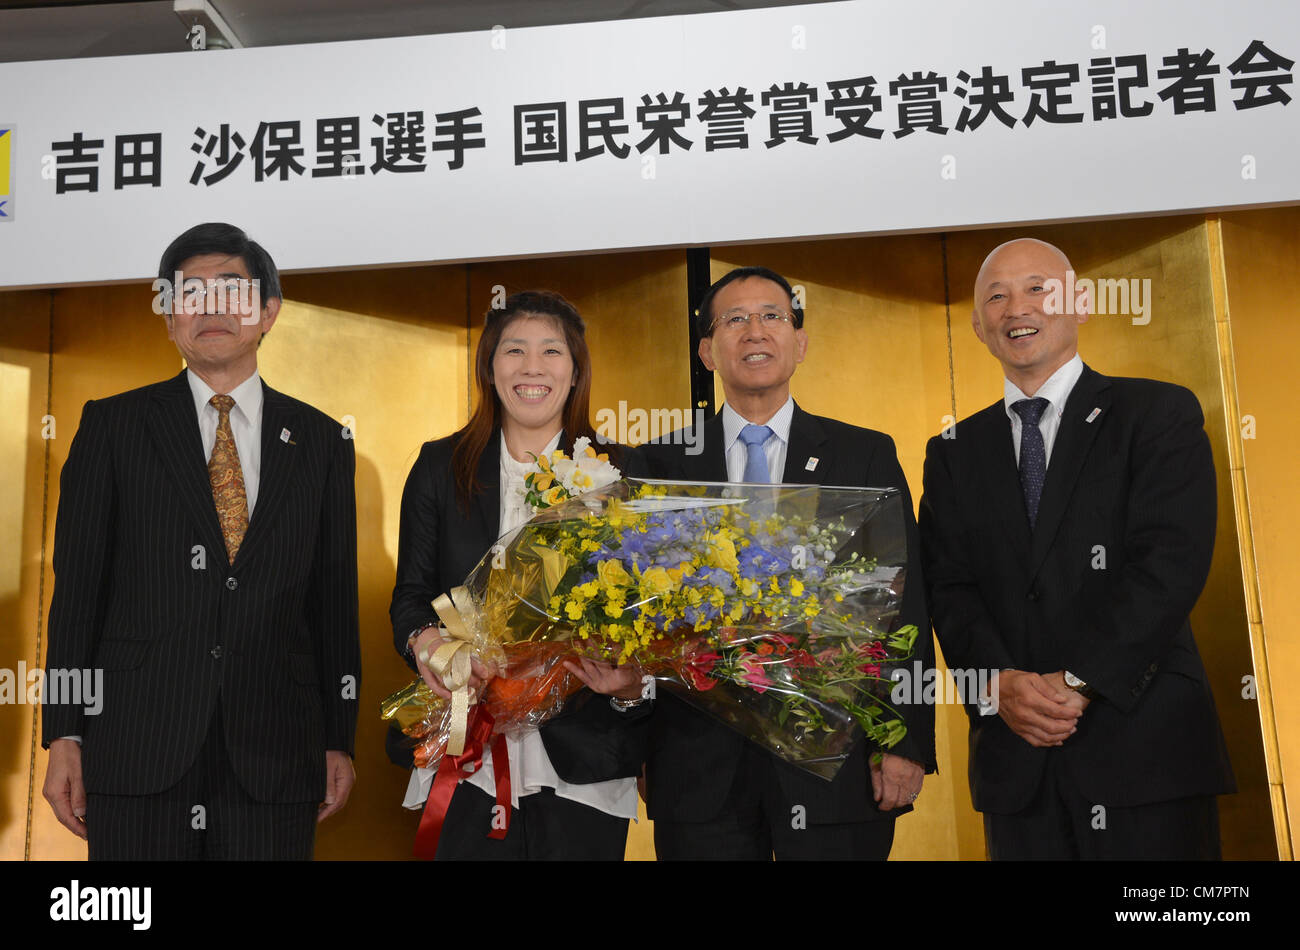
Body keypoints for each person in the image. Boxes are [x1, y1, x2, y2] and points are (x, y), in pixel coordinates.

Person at [40, 222, 361, 859]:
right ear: (168, 316)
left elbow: (334, 602)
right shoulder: (113, 425)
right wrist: (63, 736)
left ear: (269, 311)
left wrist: (337, 738)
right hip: (136, 745)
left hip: (276, 751)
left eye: (233, 291)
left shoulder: (323, 440)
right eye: (190, 293)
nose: (211, 308)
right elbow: (76, 596)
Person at [919, 237, 1236, 859]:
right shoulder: (955, 449)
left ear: (1080, 302)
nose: (1016, 308)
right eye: (996, 296)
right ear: (980, 327)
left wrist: (1077, 680)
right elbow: (948, 586)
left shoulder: (1156, 412)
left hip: (1144, 749)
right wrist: (997, 684)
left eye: (1036, 288)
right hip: (1018, 763)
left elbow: (1169, 565)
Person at [639, 266, 936, 860]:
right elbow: (641, 621)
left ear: (799, 342)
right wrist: (641, 751)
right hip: (699, 767)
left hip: (836, 760)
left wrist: (905, 741)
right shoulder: (660, 462)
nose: (756, 332)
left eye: (773, 316)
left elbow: (905, 601)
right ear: (707, 350)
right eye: (735, 319)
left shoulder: (863, 454)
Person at [390, 289, 651, 860]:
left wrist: (632, 685)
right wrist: (432, 645)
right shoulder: (441, 465)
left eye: (552, 352)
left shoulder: (622, 473)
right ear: (489, 365)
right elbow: (409, 598)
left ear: (576, 369)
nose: (533, 368)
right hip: (465, 748)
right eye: (514, 351)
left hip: (585, 758)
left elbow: (651, 622)